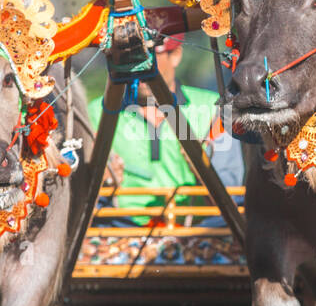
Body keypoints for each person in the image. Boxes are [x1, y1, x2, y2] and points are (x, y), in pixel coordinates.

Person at [87, 35, 243, 220]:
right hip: (120, 229)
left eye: (149, 57)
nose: (139, 68)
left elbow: (231, 195)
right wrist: (100, 181)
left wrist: (202, 169)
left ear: (175, 55)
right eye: (131, 58)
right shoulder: (97, 113)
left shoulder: (212, 109)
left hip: (198, 230)